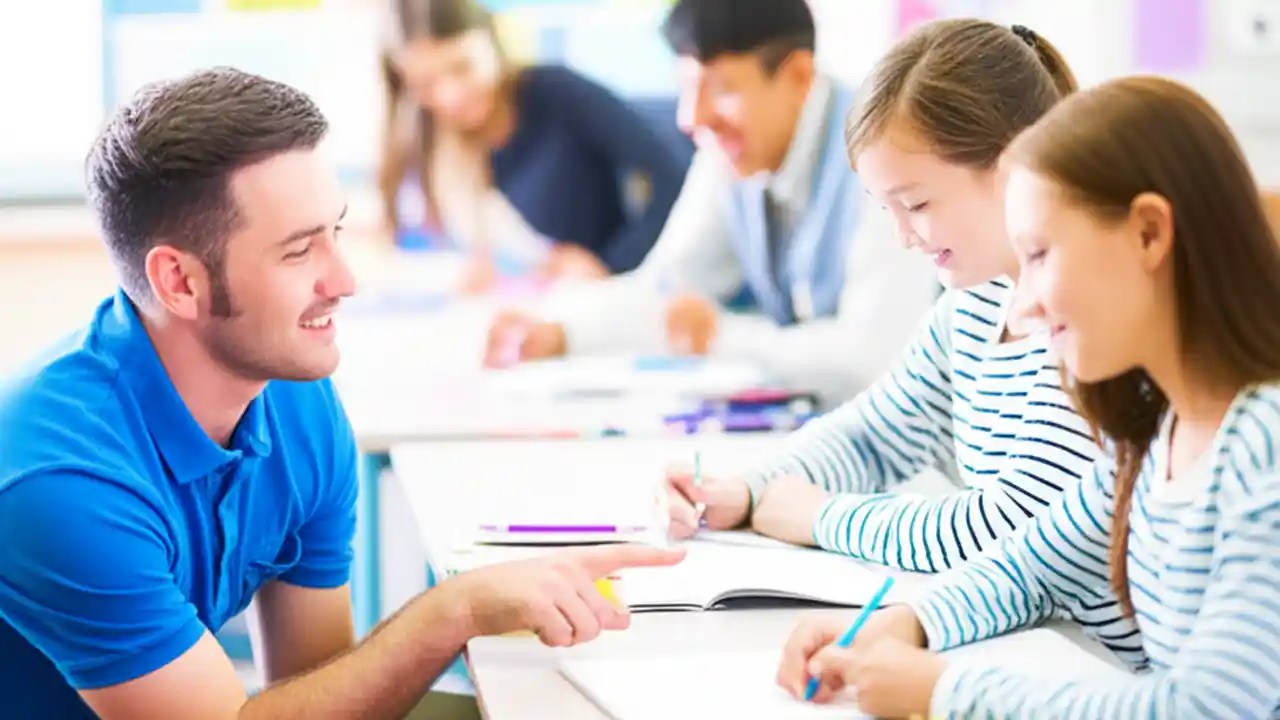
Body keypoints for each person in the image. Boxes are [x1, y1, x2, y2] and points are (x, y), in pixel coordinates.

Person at [0, 67, 684, 720]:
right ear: (180, 283)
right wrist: (453, 610)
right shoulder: (59, 479)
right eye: (300, 252)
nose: (346, 279)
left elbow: (320, 692)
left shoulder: (294, 398)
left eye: (337, 232)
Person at [777, 75, 1280, 720]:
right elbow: (1029, 568)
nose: (1027, 303)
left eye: (1040, 255)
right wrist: (903, 625)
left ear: (1149, 234)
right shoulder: (1159, 434)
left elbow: (1202, 710)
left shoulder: (1262, 444)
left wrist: (943, 692)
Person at [664, 20, 1134, 637]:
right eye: (886, 209)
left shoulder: (1081, 319)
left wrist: (822, 517)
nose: (903, 238)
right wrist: (748, 492)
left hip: (1102, 664)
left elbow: (1010, 528)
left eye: (916, 205)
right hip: (1029, 640)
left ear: (1016, 165)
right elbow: (874, 435)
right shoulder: (972, 305)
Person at [483, 0, 938, 406]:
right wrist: (561, 331)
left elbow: (872, 355)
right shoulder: (730, 151)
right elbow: (666, 290)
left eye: (721, 89)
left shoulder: (882, 152)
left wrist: (722, 336)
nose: (691, 117)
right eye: (687, 87)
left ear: (798, 75)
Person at [378, 0, 691, 291]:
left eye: (462, 67)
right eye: (425, 85)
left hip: (597, 296)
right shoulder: (429, 138)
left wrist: (611, 263)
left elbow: (673, 177)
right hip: (514, 302)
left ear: (492, 41)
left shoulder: (552, 92)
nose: (451, 95)